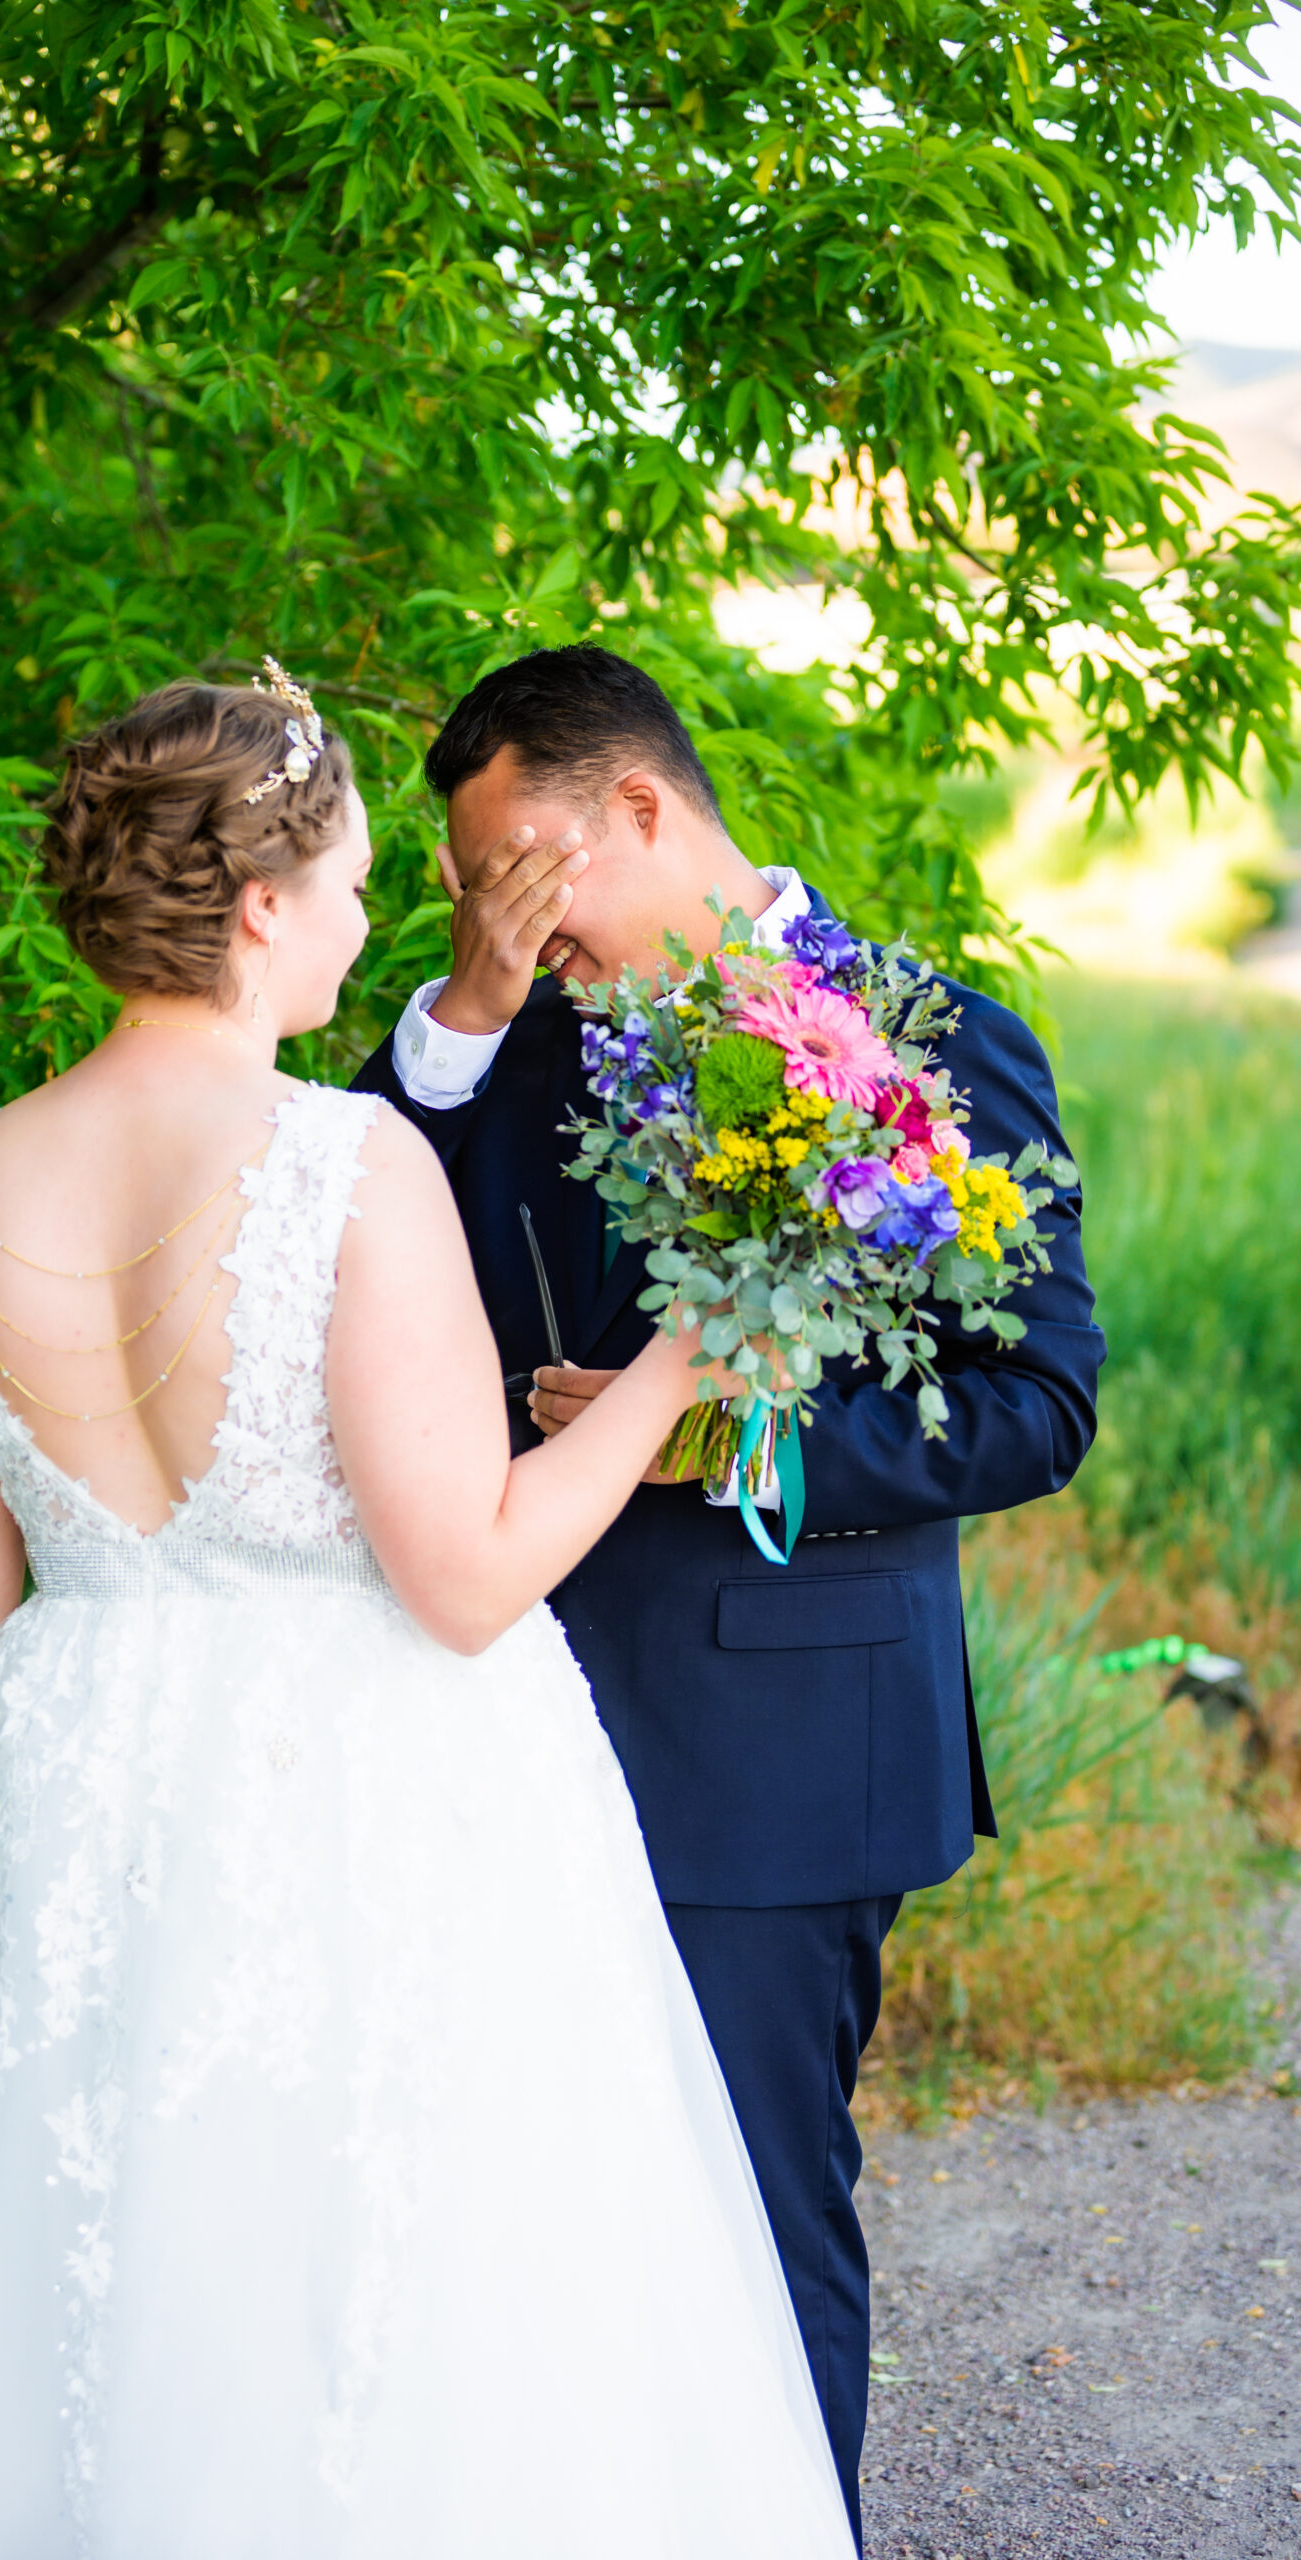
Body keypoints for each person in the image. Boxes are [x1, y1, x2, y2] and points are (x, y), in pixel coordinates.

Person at [0, 665, 855, 2560]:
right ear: (255, 910)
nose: (379, 920)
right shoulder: (344, 1163)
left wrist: (102, 1802)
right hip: (395, 1814)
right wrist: (681, 1359)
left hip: (84, 1815)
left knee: (92, 2301)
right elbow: (464, 1575)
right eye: (360, 881)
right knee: (410, 2320)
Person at [353, 643, 1105, 2546]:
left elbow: (1035, 1404)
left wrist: (725, 1438)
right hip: (501, 1716)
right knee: (522, 2230)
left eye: (516, 861)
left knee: (755, 2216)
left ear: (634, 808)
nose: (498, 906)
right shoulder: (496, 1035)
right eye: (459, 881)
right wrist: (462, 1000)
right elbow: (351, 1233)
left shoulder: (926, 1036)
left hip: (775, 1747)